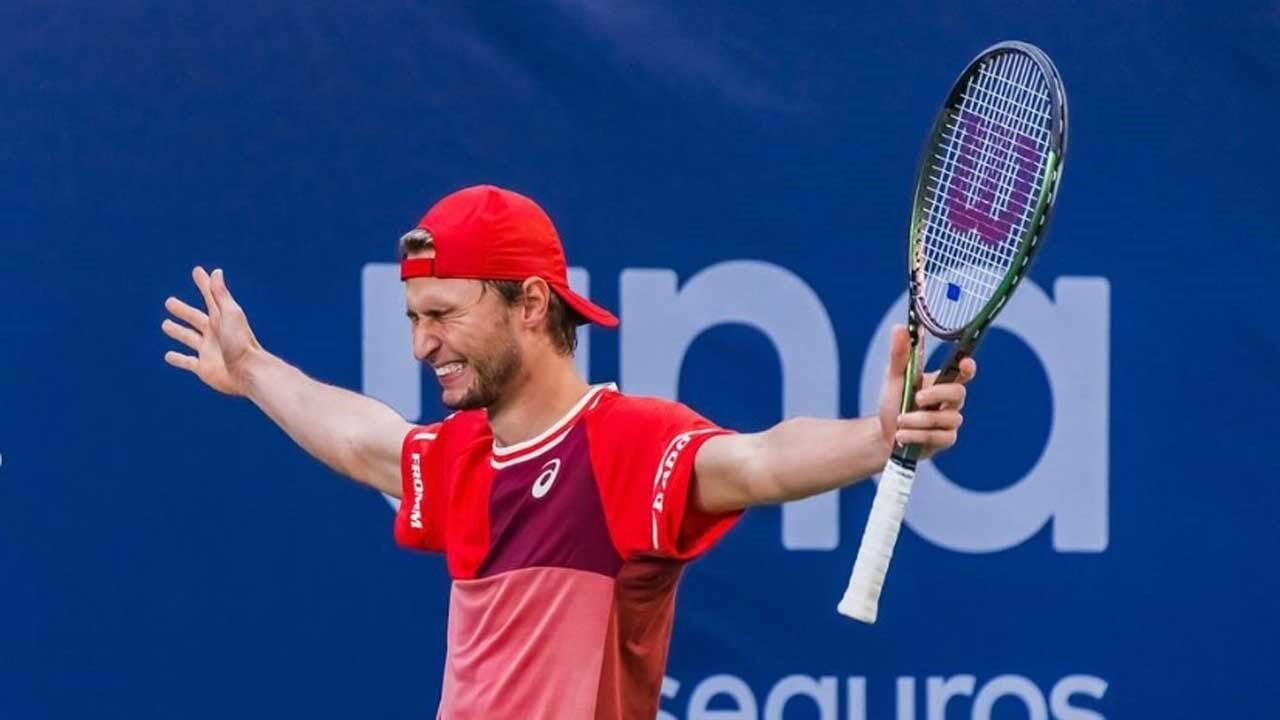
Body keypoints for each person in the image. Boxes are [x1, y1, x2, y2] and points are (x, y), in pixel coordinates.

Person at [160, 184, 975, 719]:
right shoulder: (463, 456)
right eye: (412, 318)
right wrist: (255, 369)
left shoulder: (625, 443)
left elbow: (757, 463)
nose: (420, 345)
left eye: (441, 314)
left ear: (532, 304)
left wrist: (876, 439)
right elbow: (361, 440)